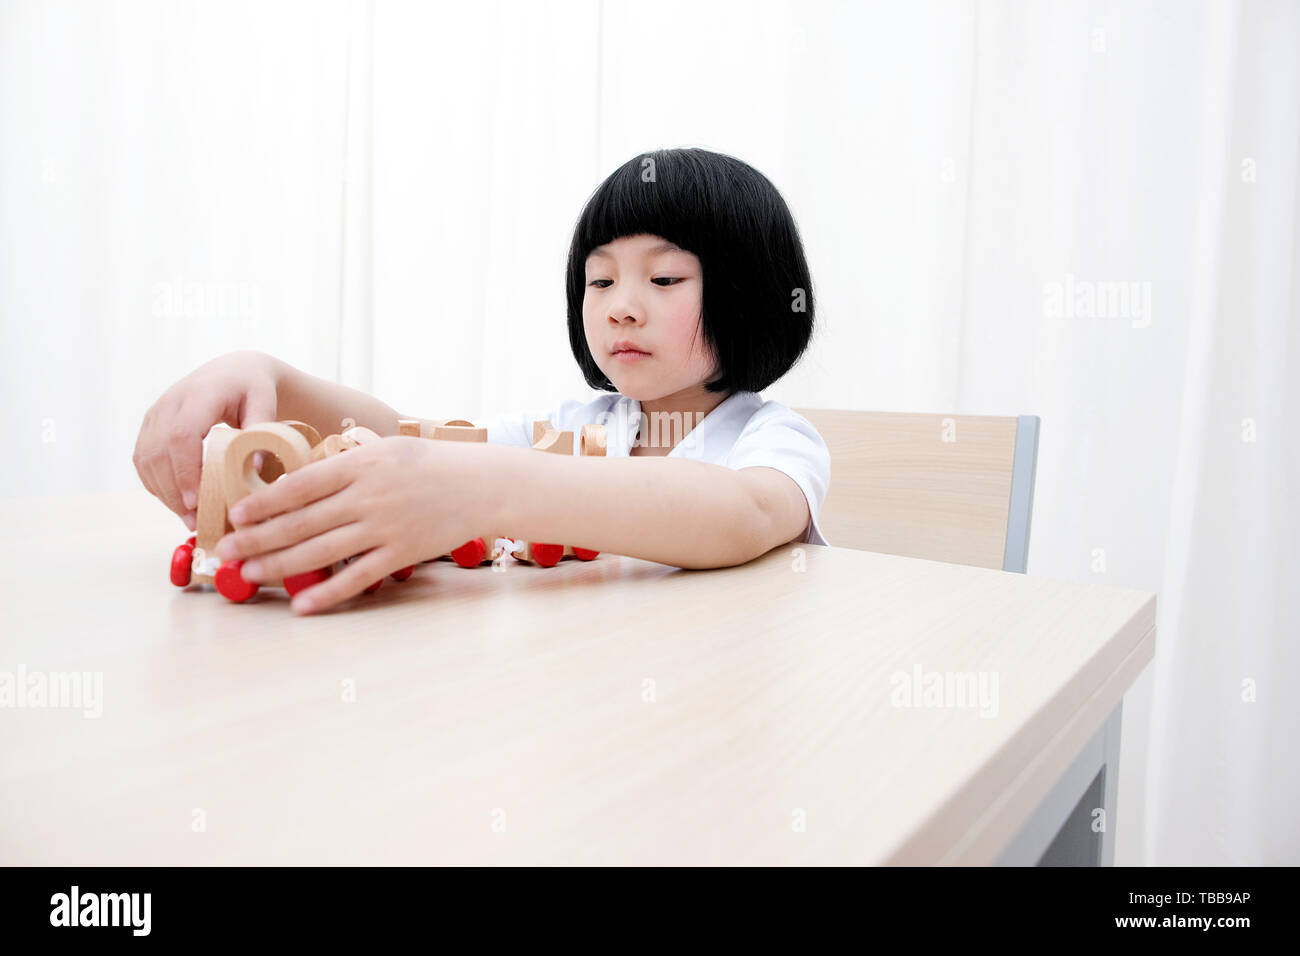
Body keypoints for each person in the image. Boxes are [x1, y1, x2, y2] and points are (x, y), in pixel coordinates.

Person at [133, 147, 830, 614]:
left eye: (665, 278)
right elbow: (408, 438)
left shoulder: (772, 439)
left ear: (750, 296)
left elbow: (742, 516)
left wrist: (490, 490)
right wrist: (272, 378)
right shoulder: (579, 425)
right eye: (600, 278)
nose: (620, 303)